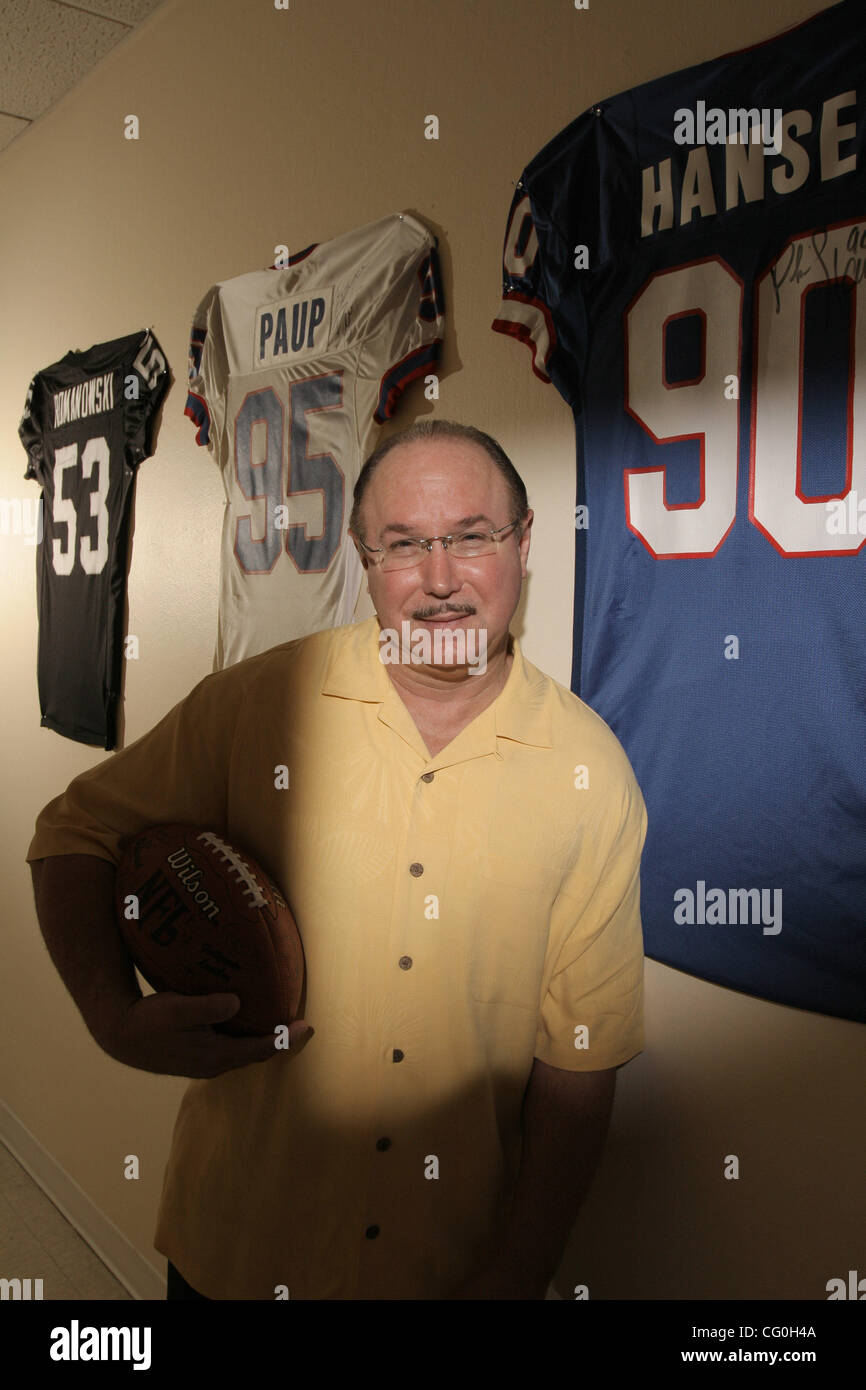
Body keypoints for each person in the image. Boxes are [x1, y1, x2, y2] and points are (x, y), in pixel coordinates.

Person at [27, 419, 647, 1301]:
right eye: (403, 546)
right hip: (233, 1258)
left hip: (443, 1275)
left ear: (524, 542)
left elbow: (579, 1062)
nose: (439, 581)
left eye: (472, 536)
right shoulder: (256, 704)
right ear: (364, 559)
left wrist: (520, 1272)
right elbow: (72, 834)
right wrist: (109, 1015)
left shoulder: (592, 776)